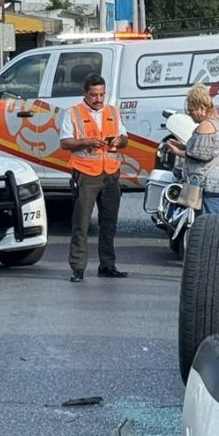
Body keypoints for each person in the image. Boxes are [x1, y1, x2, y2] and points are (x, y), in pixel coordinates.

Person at [59, 74, 129, 282]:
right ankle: (78, 268)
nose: (98, 99)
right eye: (94, 95)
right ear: (85, 94)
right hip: (86, 173)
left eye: (101, 94)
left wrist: (119, 139)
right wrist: (86, 141)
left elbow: (125, 138)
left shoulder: (113, 111)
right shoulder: (73, 113)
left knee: (109, 223)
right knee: (81, 223)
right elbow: (65, 142)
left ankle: (107, 265)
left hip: (110, 173)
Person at [165, 84, 219, 215]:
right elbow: (205, 150)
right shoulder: (216, 122)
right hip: (217, 185)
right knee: (212, 226)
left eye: (191, 111)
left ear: (201, 109)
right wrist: (182, 146)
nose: (190, 115)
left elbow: (201, 155)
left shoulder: (206, 126)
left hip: (208, 186)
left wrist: (177, 151)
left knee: (208, 227)